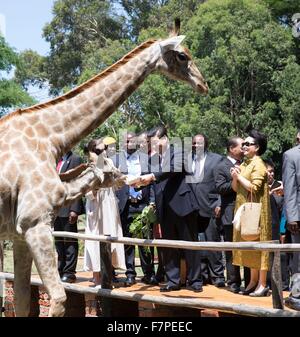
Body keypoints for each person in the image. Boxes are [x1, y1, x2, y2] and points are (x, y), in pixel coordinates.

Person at [140, 127, 204, 292]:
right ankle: (172, 281)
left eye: (152, 141)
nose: (151, 146)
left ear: (163, 138)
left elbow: (173, 169)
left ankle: (195, 280)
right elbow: (151, 183)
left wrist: (152, 177)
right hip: (164, 207)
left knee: (190, 245)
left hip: (183, 205)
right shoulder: (152, 159)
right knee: (169, 247)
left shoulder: (179, 152)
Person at [112, 131, 157, 286]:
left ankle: (149, 273)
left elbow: (152, 182)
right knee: (128, 242)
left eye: (132, 140)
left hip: (143, 205)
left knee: (146, 241)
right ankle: (130, 274)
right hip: (125, 205)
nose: (129, 143)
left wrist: (152, 201)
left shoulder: (145, 159)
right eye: (126, 141)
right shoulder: (115, 159)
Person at [231, 130, 272, 297]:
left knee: (260, 246)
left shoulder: (259, 164)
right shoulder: (245, 164)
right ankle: (252, 282)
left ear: (257, 147)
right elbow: (235, 189)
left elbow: (254, 188)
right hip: (244, 211)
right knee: (250, 247)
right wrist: (235, 177)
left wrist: (239, 177)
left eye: (248, 144)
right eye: (243, 144)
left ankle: (262, 284)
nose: (244, 146)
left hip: (257, 213)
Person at [83, 138, 126, 286]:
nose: (105, 147)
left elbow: (118, 181)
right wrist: (95, 189)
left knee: (111, 234)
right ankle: (96, 275)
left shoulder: (110, 162)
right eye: (101, 146)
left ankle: (110, 273)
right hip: (96, 204)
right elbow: (87, 188)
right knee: (96, 236)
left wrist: (124, 180)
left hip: (109, 203)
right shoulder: (89, 165)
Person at [188, 134, 225, 287]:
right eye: (194, 143)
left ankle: (218, 277)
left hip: (211, 206)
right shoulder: (186, 160)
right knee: (196, 245)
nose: (196, 146)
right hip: (191, 209)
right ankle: (202, 276)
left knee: (212, 244)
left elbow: (223, 183)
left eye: (200, 143)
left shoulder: (217, 159)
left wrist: (220, 203)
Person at [215, 136, 250, 293]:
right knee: (232, 250)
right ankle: (234, 282)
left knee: (249, 247)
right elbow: (220, 187)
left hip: (248, 212)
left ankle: (250, 282)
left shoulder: (247, 163)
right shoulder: (221, 166)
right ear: (231, 149)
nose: (244, 148)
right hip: (230, 212)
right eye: (242, 145)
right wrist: (236, 181)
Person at [54, 150, 85, 283]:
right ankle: (60, 269)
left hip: (69, 206)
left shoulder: (75, 159)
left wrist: (75, 209)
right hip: (56, 207)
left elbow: (77, 185)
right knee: (59, 242)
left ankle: (69, 272)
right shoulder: (56, 160)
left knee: (70, 241)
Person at [282, 130, 300, 310]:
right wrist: (292, 217)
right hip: (299, 216)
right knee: (299, 256)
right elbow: (290, 186)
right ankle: (297, 293)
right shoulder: (291, 155)